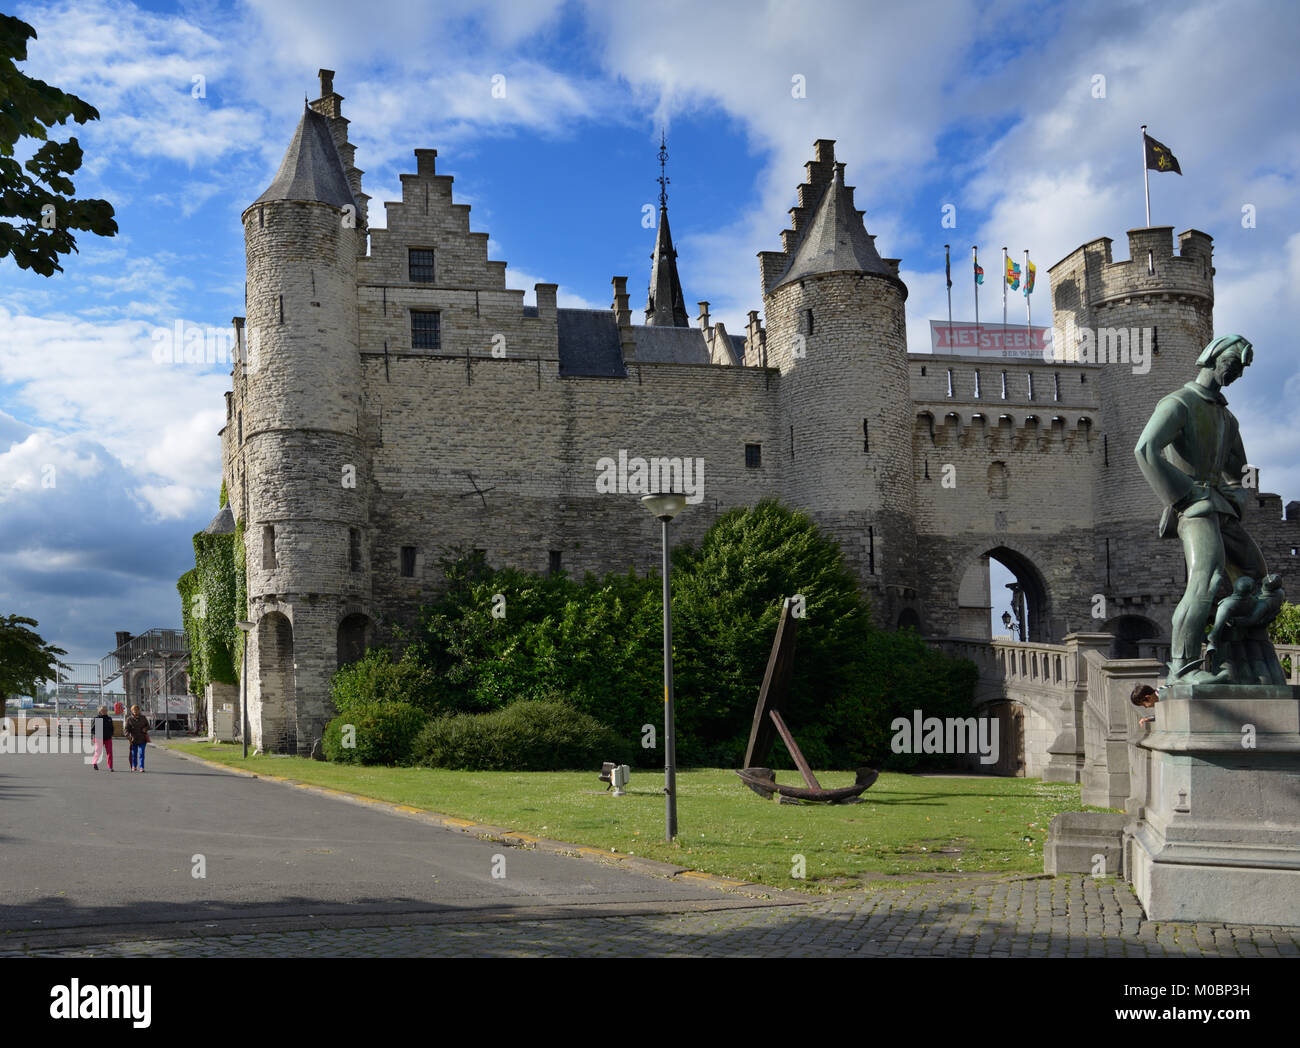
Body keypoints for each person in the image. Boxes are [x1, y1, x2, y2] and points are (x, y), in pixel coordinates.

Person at [1134, 334, 1270, 683]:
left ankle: (1235, 657)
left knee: (1256, 578)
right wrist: (1186, 495)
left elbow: (1239, 471)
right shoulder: (1178, 403)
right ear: (1212, 357)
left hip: (1222, 509)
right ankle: (1183, 667)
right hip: (1194, 510)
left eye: (1240, 371)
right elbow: (1146, 449)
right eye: (1232, 366)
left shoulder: (1228, 419)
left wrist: (1237, 498)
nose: (1235, 375)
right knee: (1206, 580)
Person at [125, 704, 150, 772]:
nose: (135, 711)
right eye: (134, 710)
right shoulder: (129, 719)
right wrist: (128, 735)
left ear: (139, 710)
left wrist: (145, 728)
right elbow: (126, 729)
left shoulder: (143, 718)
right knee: (134, 754)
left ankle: (141, 767)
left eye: (136, 710)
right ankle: (134, 766)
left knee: (141, 753)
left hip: (142, 739)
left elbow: (148, 726)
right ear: (132, 711)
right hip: (133, 739)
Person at [91, 705, 114, 771]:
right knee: (98, 752)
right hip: (99, 738)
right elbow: (92, 729)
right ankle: (94, 763)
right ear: (100, 711)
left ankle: (110, 767)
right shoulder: (97, 718)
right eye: (103, 710)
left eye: (106, 710)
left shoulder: (109, 718)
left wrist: (111, 734)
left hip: (108, 738)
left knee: (109, 753)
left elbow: (112, 728)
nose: (105, 711)